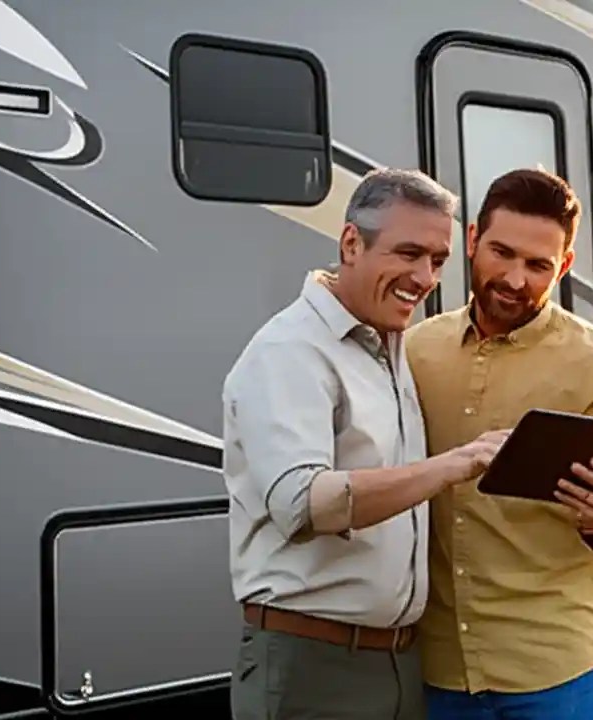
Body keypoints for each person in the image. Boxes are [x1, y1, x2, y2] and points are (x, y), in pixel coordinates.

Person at [222, 167, 510, 720]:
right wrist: (452, 465)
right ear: (351, 243)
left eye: (438, 259)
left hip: (398, 663)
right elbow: (302, 503)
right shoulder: (290, 351)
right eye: (408, 253)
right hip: (314, 665)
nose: (425, 277)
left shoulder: (389, 340)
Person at [405, 168, 593, 719]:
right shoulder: (416, 351)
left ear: (563, 266)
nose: (516, 279)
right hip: (440, 667)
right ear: (472, 240)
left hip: (559, 667)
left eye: (539, 265)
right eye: (502, 253)